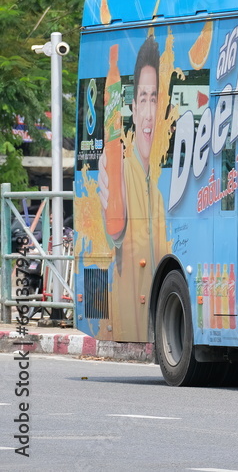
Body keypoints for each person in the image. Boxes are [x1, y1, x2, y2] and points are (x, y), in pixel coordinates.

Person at [98, 36, 169, 341]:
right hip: (125, 312)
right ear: (133, 108)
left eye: (154, 98)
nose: (149, 112)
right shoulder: (117, 170)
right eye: (143, 99)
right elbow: (114, 231)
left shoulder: (170, 178)